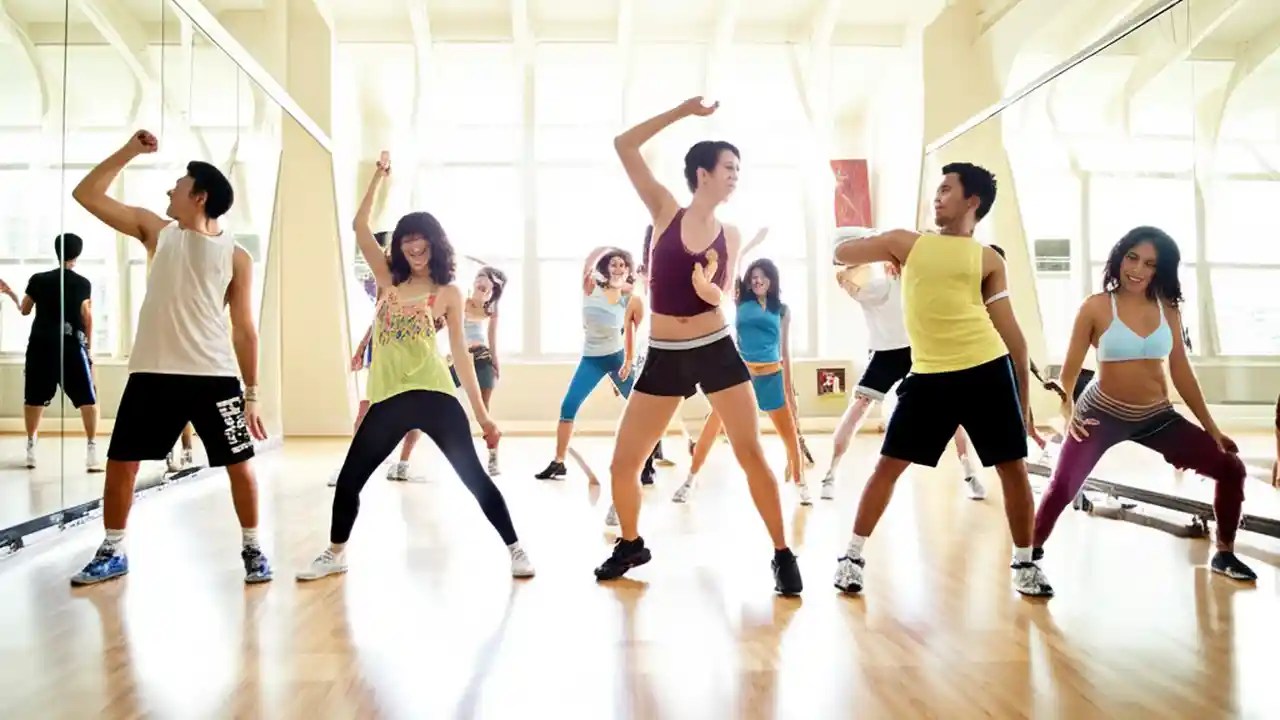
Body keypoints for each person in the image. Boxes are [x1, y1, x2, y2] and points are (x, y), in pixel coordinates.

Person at [597, 96, 802, 595]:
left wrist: (712, 292)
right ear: (702, 173)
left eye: (739, 168)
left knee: (751, 451)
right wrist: (683, 112)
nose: (736, 174)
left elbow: (720, 293)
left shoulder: (730, 233)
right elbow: (624, 145)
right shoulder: (665, 210)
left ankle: (782, 553)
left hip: (715, 348)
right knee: (623, 464)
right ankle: (630, 543)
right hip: (664, 355)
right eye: (729, 166)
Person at [297, 154, 533, 581]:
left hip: (434, 394)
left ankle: (516, 549)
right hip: (388, 398)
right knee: (350, 479)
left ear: (434, 243)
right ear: (400, 245)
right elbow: (359, 227)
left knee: (474, 478)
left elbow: (460, 353)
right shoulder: (388, 279)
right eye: (407, 239)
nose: (414, 246)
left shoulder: (447, 291)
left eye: (422, 239)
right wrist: (378, 178)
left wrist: (483, 416)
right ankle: (335, 552)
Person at [829, 162, 1052, 597]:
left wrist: (1024, 407)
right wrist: (885, 245)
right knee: (888, 465)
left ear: (972, 202)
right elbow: (841, 252)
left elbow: (1015, 340)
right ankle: (852, 557)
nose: (937, 197)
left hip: (987, 369)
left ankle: (1026, 564)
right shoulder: (907, 243)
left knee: (1013, 469)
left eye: (947, 190)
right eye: (937, 189)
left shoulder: (987, 259)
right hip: (929, 375)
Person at [69, 129, 270, 585]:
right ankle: (113, 549)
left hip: (214, 376)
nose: (169, 190)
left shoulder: (236, 256)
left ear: (199, 197)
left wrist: (252, 393)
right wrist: (129, 151)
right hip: (153, 373)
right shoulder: (157, 233)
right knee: (122, 463)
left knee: (240, 466)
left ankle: (253, 548)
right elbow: (87, 194)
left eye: (178, 185)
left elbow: (243, 327)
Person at [1032, 226, 1255, 582]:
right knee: (1063, 485)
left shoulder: (1168, 308)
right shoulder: (1096, 307)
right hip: (1100, 414)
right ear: (1119, 257)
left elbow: (1182, 372)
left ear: (1160, 269)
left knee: (1231, 468)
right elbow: (1069, 375)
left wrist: (1212, 429)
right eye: (1132, 258)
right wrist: (1067, 413)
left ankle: (1224, 553)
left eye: (1149, 263)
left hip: (1155, 416)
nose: (1137, 269)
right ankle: (1028, 555)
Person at [821, 252, 989, 502]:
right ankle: (830, 474)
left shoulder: (921, 286)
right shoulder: (878, 286)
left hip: (920, 352)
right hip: (885, 355)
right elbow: (846, 278)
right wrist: (863, 261)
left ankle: (969, 473)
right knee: (859, 407)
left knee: (953, 409)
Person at [673, 257, 810, 506]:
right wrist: (749, 245)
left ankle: (801, 484)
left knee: (789, 433)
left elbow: (785, 351)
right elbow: (734, 262)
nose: (757, 280)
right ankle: (690, 479)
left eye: (762, 277)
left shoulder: (781, 309)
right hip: (739, 376)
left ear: (771, 280)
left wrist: (788, 389)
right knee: (712, 426)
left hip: (771, 374)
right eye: (753, 277)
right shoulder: (740, 300)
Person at [533, 247, 648, 487]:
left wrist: (627, 361)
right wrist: (606, 250)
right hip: (591, 359)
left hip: (617, 358)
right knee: (568, 406)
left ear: (627, 271)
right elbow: (587, 263)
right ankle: (559, 461)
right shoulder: (590, 288)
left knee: (640, 409)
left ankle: (647, 461)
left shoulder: (630, 299)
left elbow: (631, 333)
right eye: (613, 264)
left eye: (622, 265)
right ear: (606, 268)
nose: (617, 269)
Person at [328, 230, 422, 487]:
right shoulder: (386, 278)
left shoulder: (423, 277)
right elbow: (378, 316)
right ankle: (352, 465)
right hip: (384, 351)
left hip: (414, 353)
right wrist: (362, 347)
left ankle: (403, 463)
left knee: (416, 411)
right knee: (366, 409)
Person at [0, 233, 100, 472]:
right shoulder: (82, 283)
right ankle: (91, 449)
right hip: (71, 346)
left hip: (41, 345)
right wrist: (89, 349)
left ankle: (31, 448)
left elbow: (24, 310)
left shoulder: (38, 280)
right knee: (88, 398)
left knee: (34, 398)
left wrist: (12, 294)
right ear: (77, 254)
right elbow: (87, 317)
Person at [451, 261, 507, 475]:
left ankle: (492, 457)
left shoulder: (490, 309)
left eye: (488, 287)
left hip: (482, 358)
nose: (482, 287)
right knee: (454, 409)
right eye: (480, 281)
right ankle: (462, 457)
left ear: (492, 292)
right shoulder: (459, 301)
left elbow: (492, 337)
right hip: (458, 359)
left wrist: (495, 362)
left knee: (483, 411)